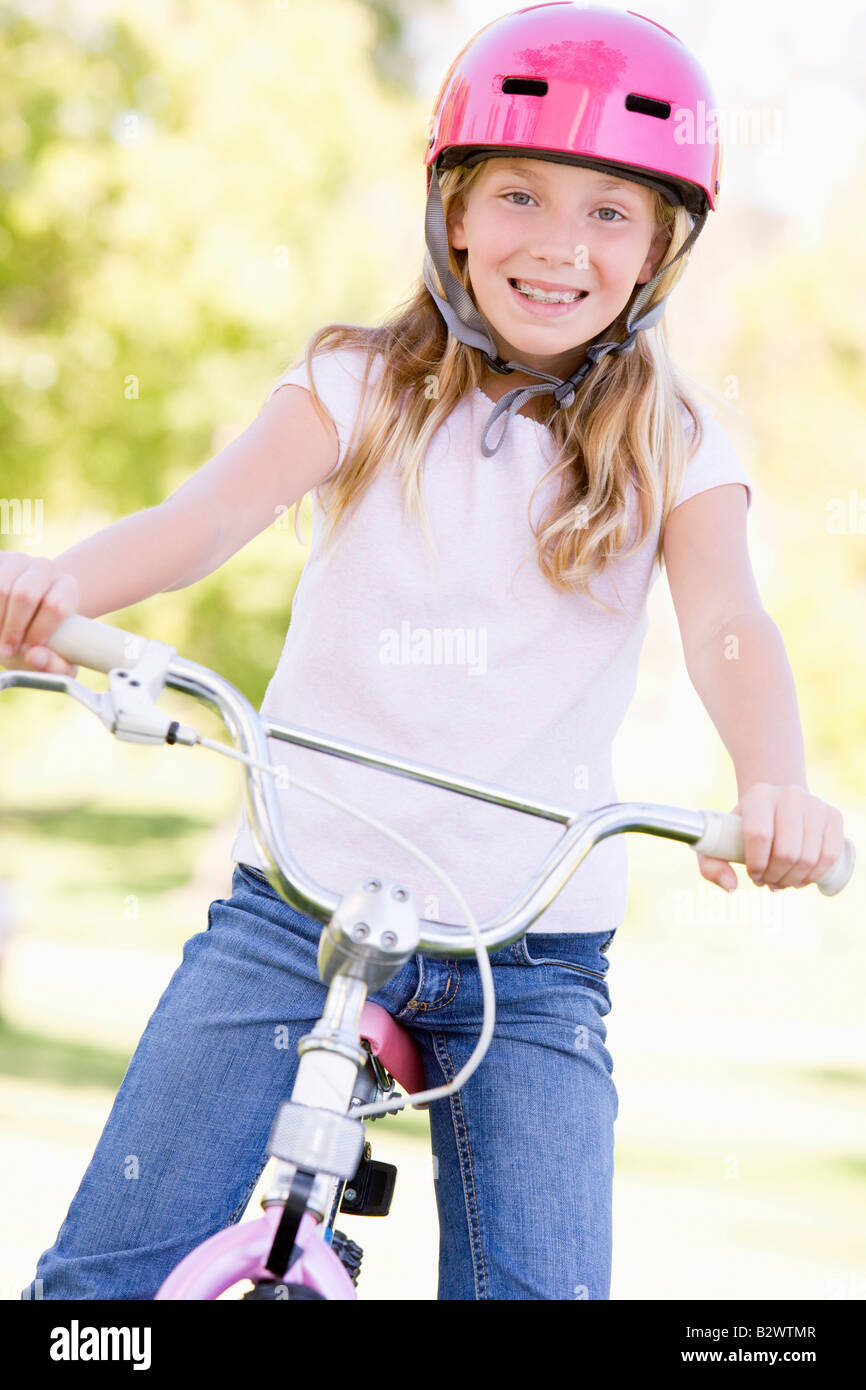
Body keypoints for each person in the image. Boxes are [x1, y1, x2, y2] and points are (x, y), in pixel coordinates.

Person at [5, 5, 845, 1300]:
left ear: (659, 252)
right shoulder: (360, 382)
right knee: (97, 1295)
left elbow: (727, 620)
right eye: (519, 192)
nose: (559, 244)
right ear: (453, 210)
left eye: (609, 213)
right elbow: (204, 518)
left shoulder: (673, 445)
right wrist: (57, 583)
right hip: (300, 904)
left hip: (533, 951)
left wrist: (772, 776)